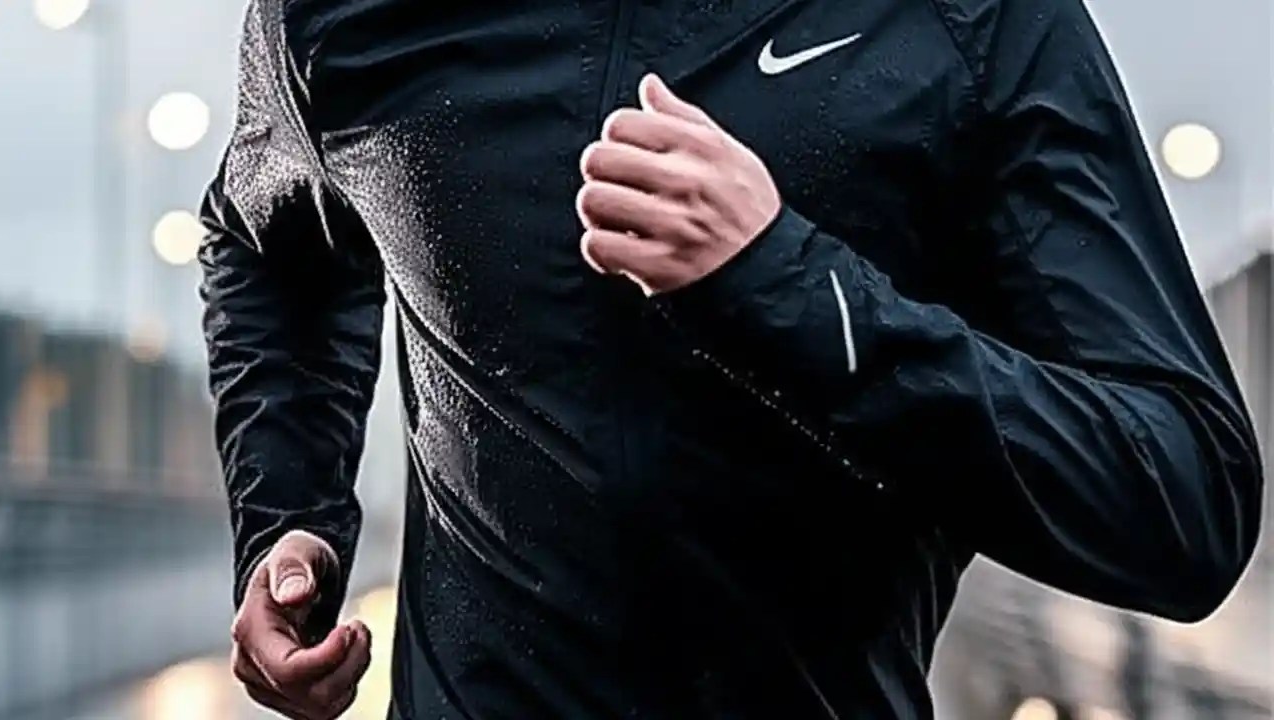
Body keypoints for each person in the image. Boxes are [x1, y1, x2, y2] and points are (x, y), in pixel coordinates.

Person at [198, 0, 1265, 718]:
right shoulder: (344, 17)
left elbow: (1179, 496)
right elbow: (265, 243)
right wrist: (287, 513)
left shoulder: (966, 21)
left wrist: (779, 283)